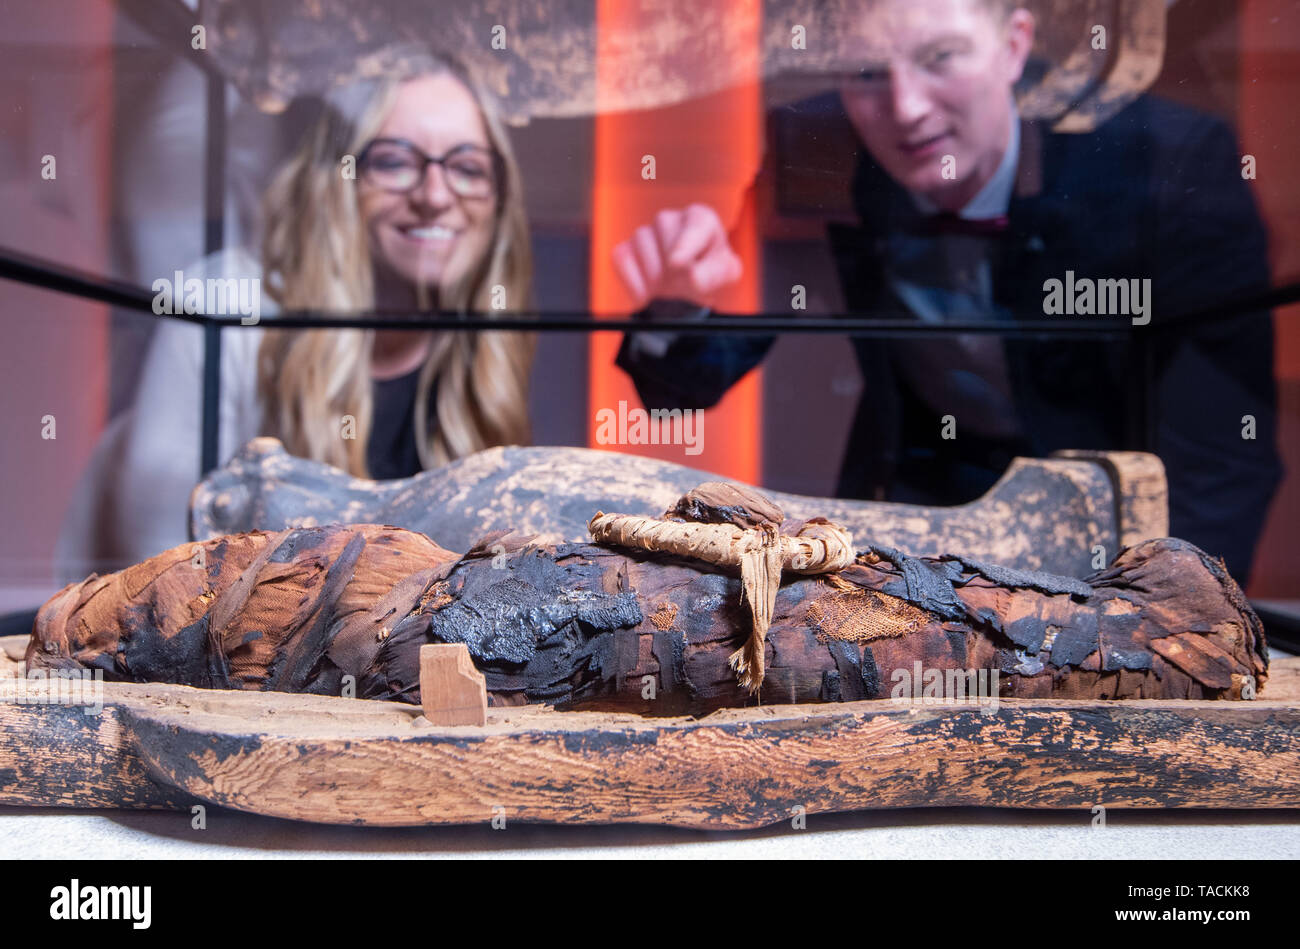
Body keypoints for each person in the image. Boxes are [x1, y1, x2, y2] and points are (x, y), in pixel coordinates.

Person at [611, 0, 1282, 584]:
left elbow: (1223, 455)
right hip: (917, 525)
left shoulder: (1166, 163)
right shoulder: (822, 152)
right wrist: (678, 307)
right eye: (868, 72)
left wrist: (1171, 617)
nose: (904, 108)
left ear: (1015, 46)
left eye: (940, 57)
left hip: (1107, 533)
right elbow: (685, 389)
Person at [60, 45, 536, 572]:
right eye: (395, 162)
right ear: (338, 178)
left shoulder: (481, 350)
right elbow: (153, 583)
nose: (434, 194)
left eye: (467, 168)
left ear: (499, 199)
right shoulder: (225, 307)